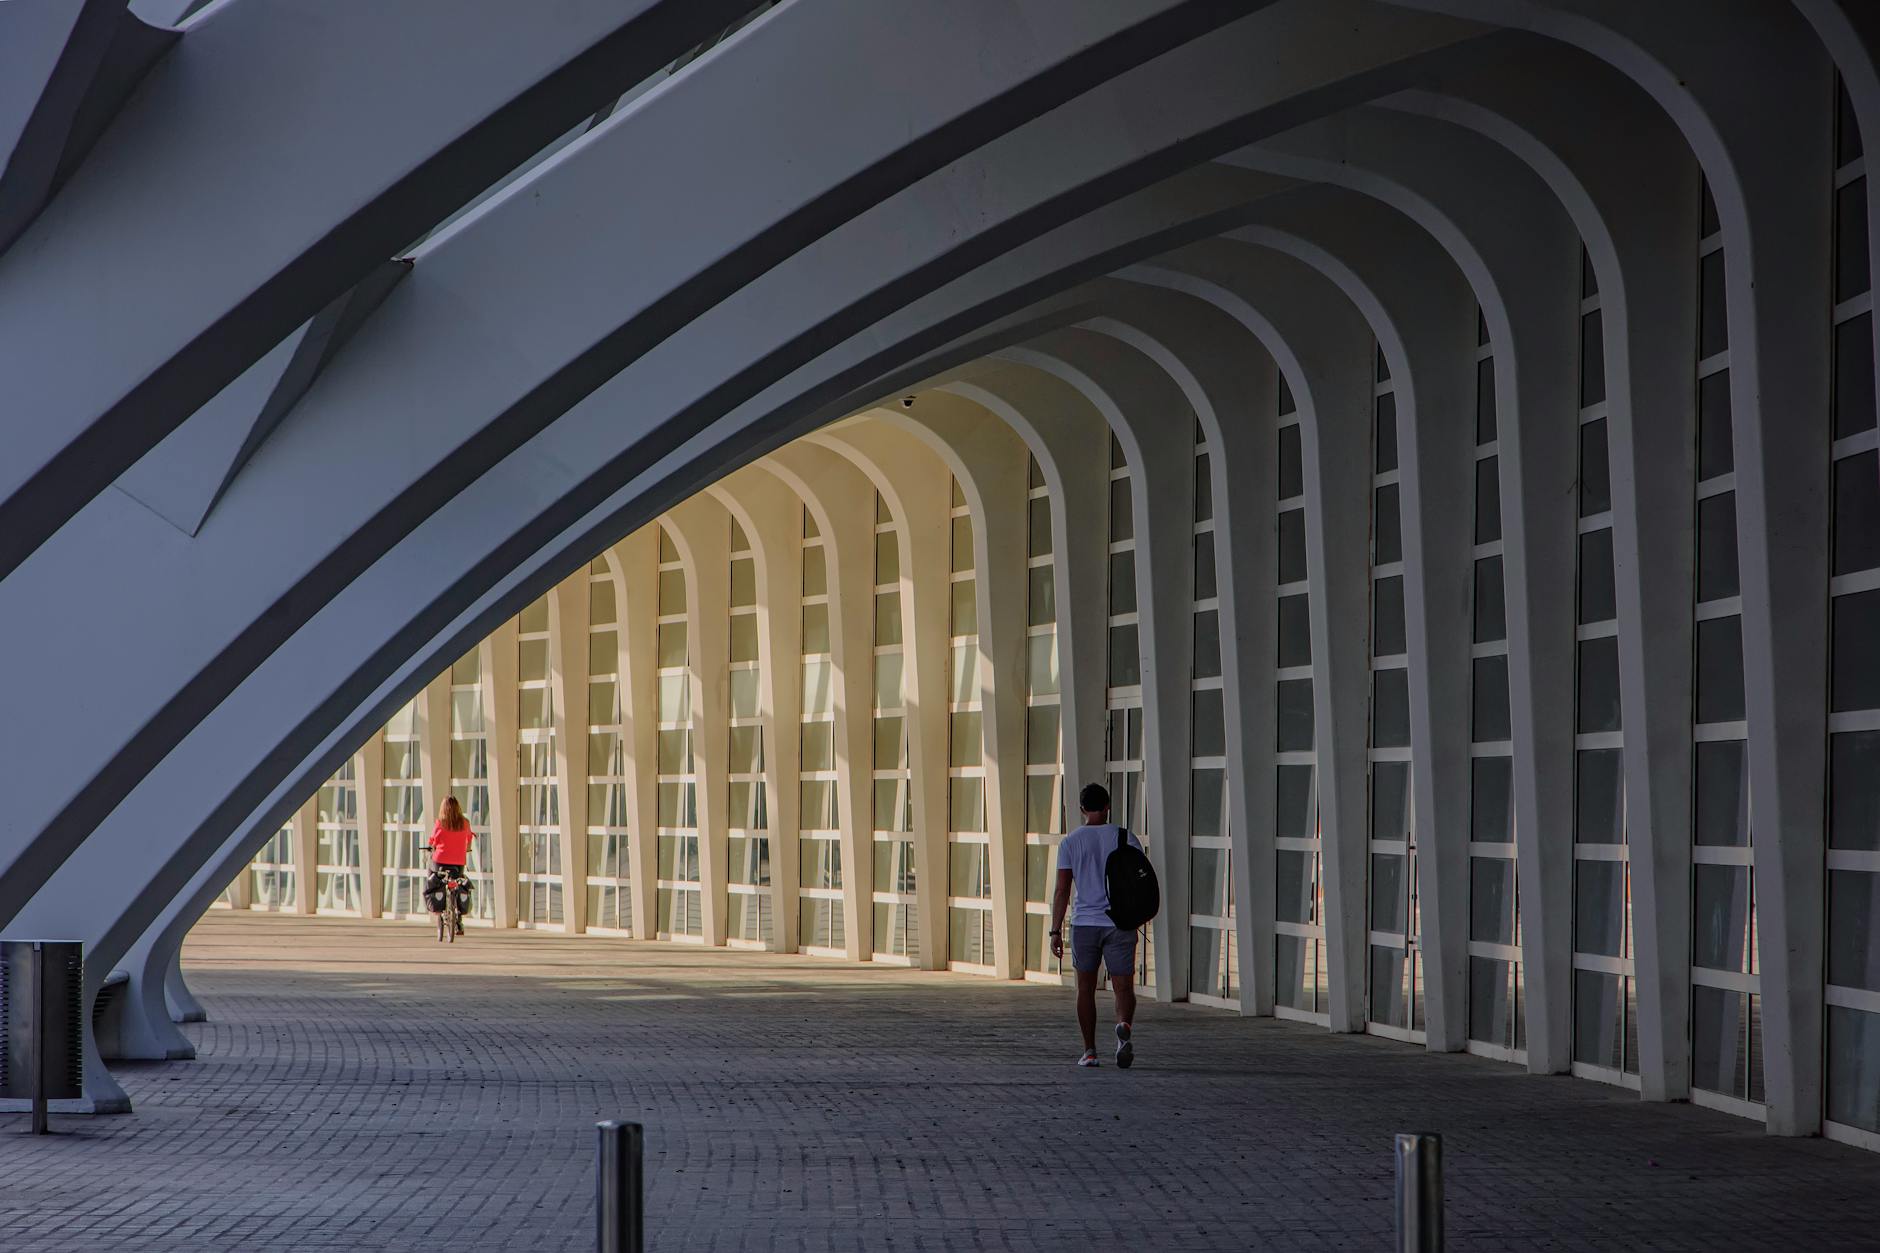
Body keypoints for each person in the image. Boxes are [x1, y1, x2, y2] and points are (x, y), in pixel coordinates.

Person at [1049, 782, 1143, 1068]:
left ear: (1081, 810)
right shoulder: (1126, 837)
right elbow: (1141, 879)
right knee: (1123, 987)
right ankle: (1123, 1028)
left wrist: (1055, 930)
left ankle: (1089, 1051)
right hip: (1120, 922)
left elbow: (1062, 890)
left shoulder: (1071, 842)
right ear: (1107, 806)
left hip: (1085, 924)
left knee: (1085, 988)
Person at [424, 795, 476, 935]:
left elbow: (433, 839)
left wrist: (431, 846)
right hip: (458, 862)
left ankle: (438, 907)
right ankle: (458, 919)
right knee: (458, 882)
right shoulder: (465, 822)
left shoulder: (440, 822)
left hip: (440, 861)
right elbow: (469, 838)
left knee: (432, 878)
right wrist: (466, 849)